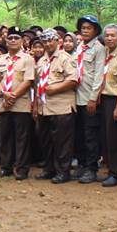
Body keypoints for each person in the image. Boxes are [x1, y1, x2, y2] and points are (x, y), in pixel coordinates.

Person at [33, 29, 78, 184]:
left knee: (62, 142)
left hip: (62, 106)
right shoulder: (41, 61)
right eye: (45, 41)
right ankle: (49, 169)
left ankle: (63, 172)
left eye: (50, 40)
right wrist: (35, 107)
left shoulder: (66, 58)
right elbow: (37, 84)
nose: (47, 44)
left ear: (57, 41)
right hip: (44, 107)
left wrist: (56, 88)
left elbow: (73, 80)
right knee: (46, 140)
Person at [0, 29, 35, 180]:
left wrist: (13, 95)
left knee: (21, 138)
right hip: (3, 103)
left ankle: (22, 169)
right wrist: (4, 94)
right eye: (10, 38)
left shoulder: (28, 59)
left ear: (22, 41)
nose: (13, 40)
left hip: (20, 104)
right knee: (5, 137)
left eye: (16, 37)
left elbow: (29, 80)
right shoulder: (1, 59)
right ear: (6, 41)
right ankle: (6, 167)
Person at [73, 16, 106, 183]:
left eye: (89, 28)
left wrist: (93, 98)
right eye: (83, 28)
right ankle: (82, 164)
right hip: (76, 98)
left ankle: (92, 168)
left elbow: (99, 74)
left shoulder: (99, 48)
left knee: (91, 135)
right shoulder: (79, 47)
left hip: (89, 98)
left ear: (95, 31)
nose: (85, 30)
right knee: (79, 134)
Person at [96, 24, 117, 187]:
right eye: (107, 35)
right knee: (105, 138)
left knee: (114, 139)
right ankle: (109, 170)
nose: (109, 38)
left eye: (113, 35)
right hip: (102, 99)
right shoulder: (104, 54)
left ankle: (115, 174)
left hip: (114, 100)